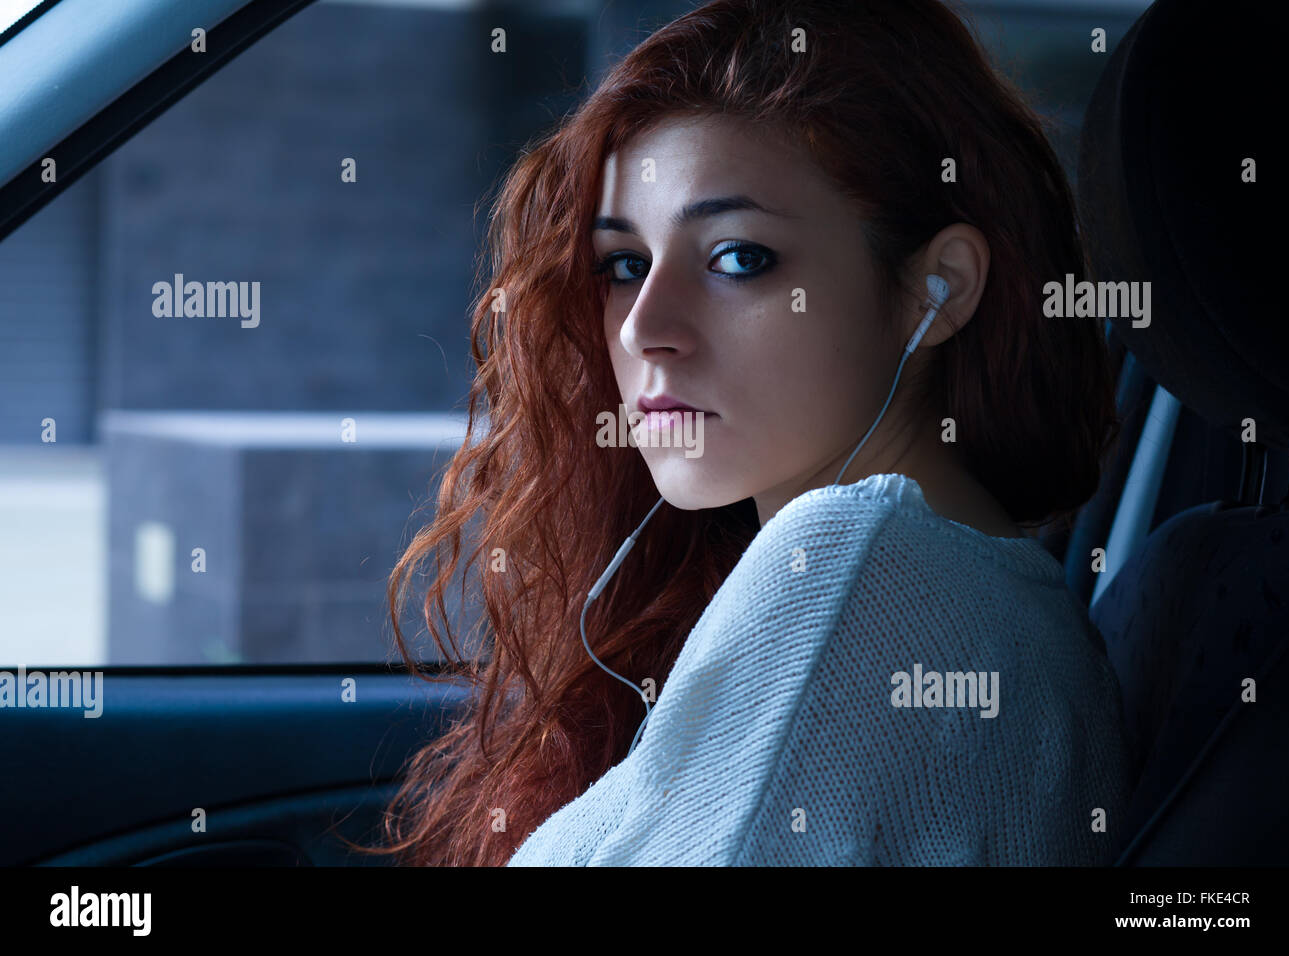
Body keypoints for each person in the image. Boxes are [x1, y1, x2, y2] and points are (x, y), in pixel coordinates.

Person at [361, 0, 1133, 866]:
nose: (642, 327)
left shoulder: (858, 572)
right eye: (623, 265)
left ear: (937, 289)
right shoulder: (977, 590)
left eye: (737, 258)